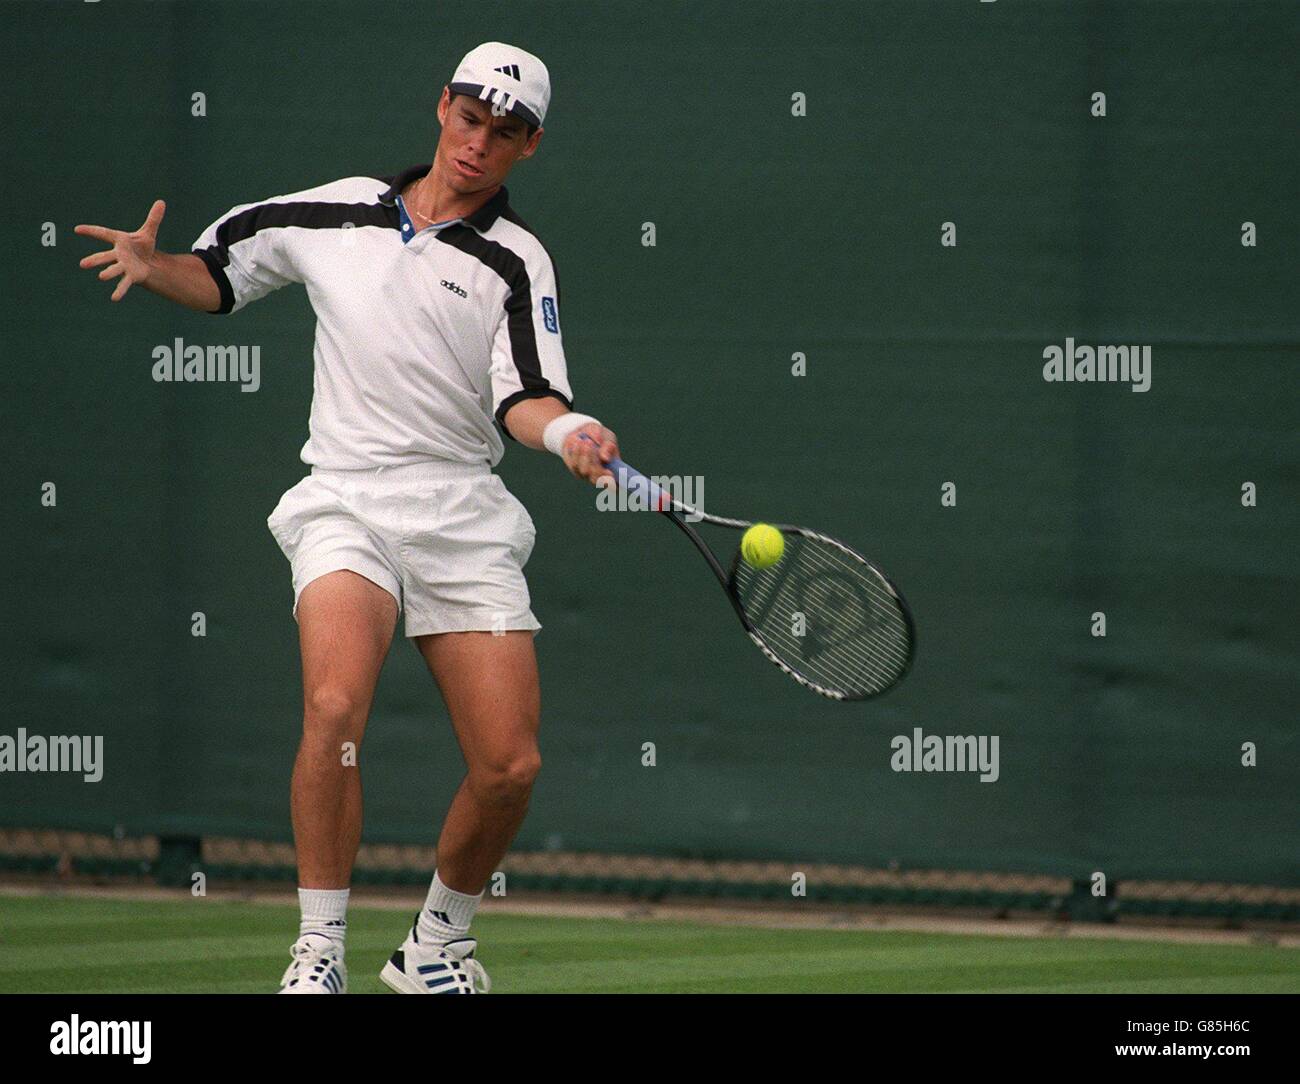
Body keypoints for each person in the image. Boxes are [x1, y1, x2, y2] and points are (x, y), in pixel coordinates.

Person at [76, 41, 617, 994]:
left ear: (528, 149)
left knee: (510, 765)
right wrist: (155, 267)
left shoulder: (518, 261)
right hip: (347, 501)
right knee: (333, 708)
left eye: (505, 133)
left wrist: (569, 428)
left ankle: (436, 945)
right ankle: (316, 954)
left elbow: (525, 395)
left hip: (462, 514)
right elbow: (221, 273)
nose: (478, 143)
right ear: (442, 105)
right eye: (470, 118)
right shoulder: (335, 211)